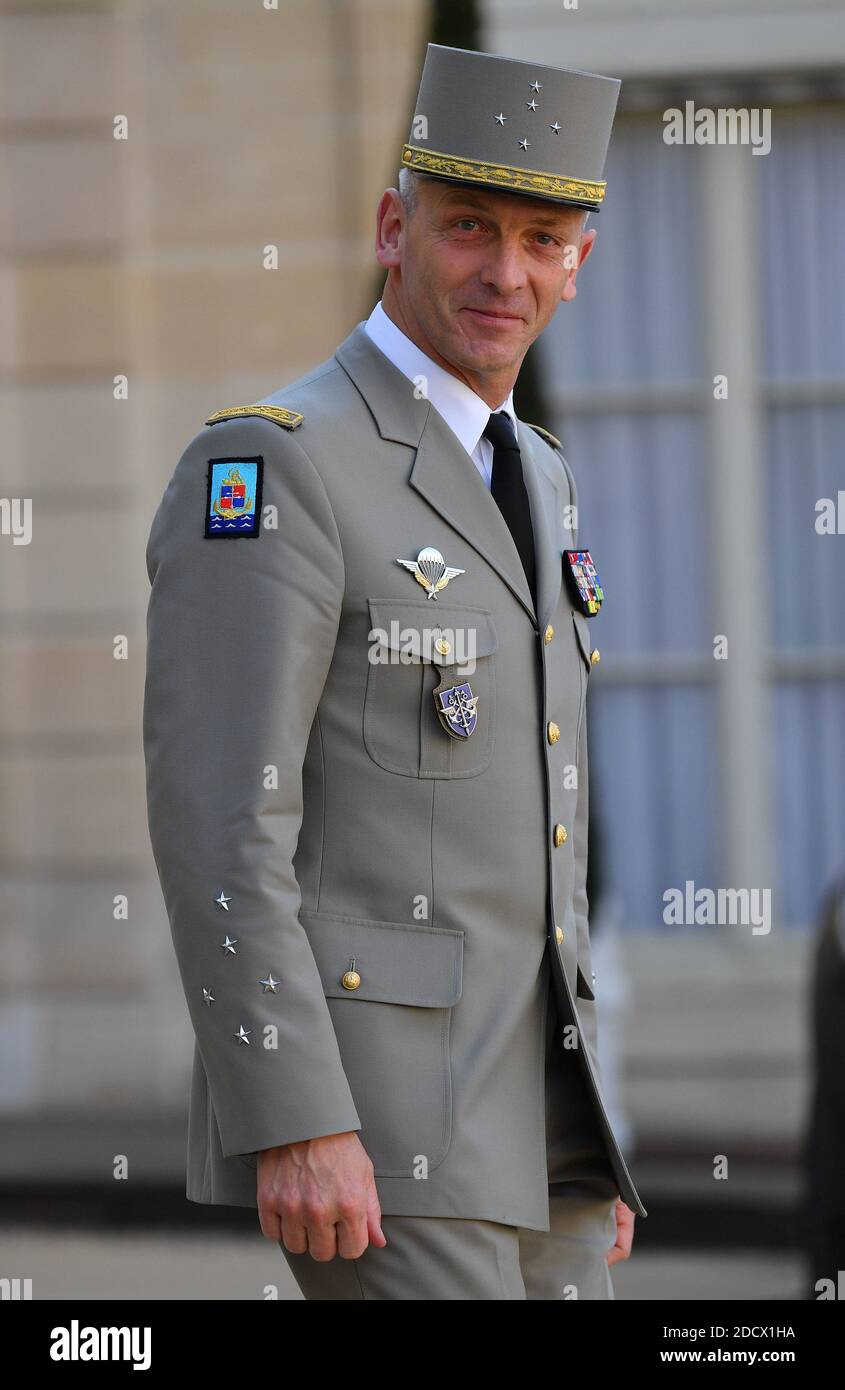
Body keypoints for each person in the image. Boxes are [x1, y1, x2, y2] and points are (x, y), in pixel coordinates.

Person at [143, 41, 646, 1300]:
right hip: (382, 1130)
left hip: (548, 1133)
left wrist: (584, 1140)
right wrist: (292, 1112)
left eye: (542, 238)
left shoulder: (541, 472)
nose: (504, 271)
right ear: (391, 226)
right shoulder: (272, 469)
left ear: (578, 261)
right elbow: (218, 816)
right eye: (467, 225)